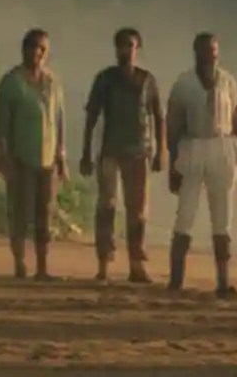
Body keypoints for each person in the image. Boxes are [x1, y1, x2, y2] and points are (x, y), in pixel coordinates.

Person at [165, 32, 237, 297]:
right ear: (196, 53)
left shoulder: (228, 82)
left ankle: (223, 281)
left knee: (223, 218)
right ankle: (176, 280)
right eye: (206, 51)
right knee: (185, 215)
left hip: (222, 147)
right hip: (192, 147)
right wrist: (173, 165)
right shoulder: (184, 84)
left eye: (214, 51)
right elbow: (173, 128)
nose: (211, 56)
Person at [80, 27, 165, 283]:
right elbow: (92, 116)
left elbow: (159, 116)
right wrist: (86, 152)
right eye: (122, 45)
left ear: (138, 49)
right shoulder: (105, 79)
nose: (126, 50)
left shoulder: (147, 80)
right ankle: (104, 264)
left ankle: (137, 265)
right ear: (116, 49)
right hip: (111, 151)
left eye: (131, 45)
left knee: (138, 211)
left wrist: (162, 150)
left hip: (139, 151)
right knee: (107, 207)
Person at [0, 29, 68, 281]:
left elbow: (59, 119)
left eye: (42, 49)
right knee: (20, 213)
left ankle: (43, 267)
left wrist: (61, 155)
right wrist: (3, 155)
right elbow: (2, 124)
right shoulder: (12, 82)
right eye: (34, 47)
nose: (38, 53)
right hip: (21, 157)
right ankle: (20, 263)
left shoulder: (53, 82)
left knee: (45, 213)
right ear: (24, 49)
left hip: (48, 158)